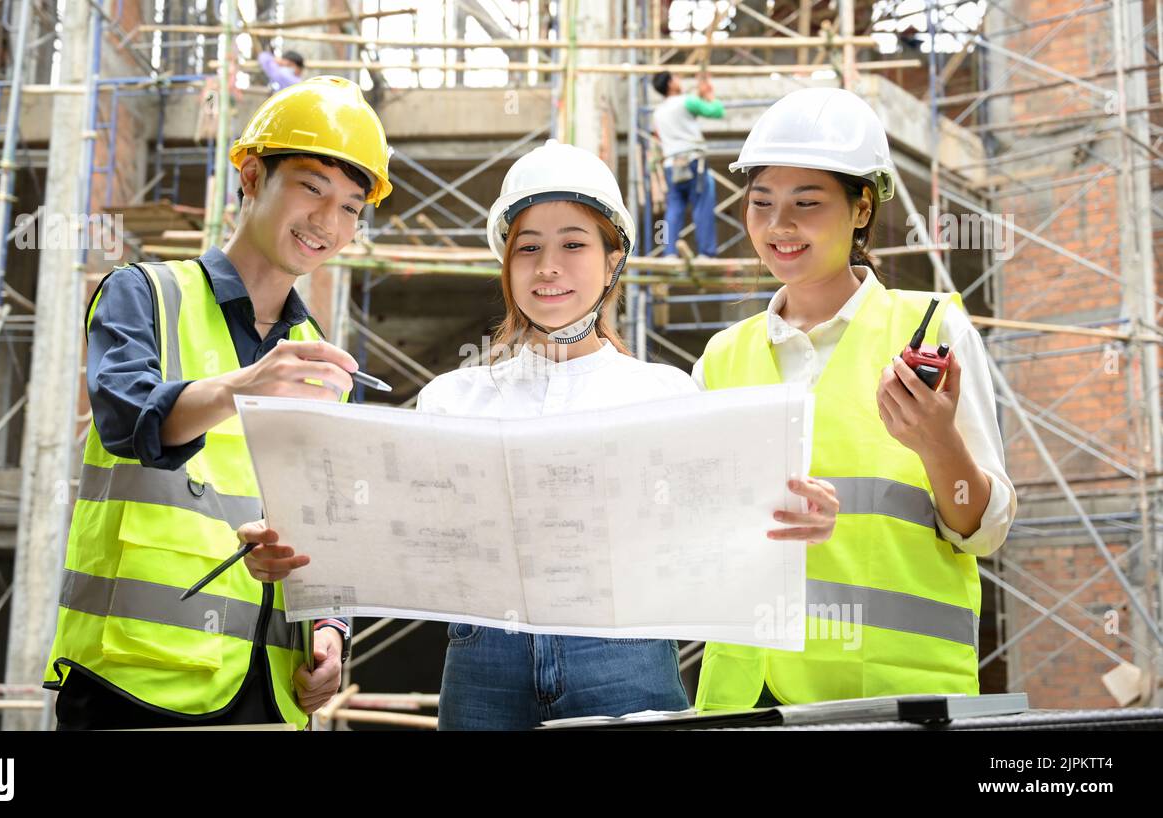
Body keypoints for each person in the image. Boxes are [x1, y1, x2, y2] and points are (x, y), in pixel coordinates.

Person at [387, 139, 832, 730]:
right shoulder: (452, 400)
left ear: (613, 261)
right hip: (484, 653)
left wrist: (790, 522)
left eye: (574, 244)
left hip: (623, 651)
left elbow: (712, 536)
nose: (548, 266)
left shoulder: (664, 396)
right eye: (528, 248)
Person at [44, 76, 393, 729]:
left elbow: (327, 523)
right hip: (136, 682)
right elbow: (126, 418)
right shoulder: (144, 294)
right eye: (312, 188)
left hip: (270, 690)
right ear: (253, 175)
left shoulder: (319, 357)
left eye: (351, 207)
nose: (329, 222)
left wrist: (330, 628)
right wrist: (243, 387)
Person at [692, 87, 1017, 711]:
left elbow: (985, 531)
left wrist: (938, 442)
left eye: (806, 203)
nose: (779, 226)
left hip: (896, 696)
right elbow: (687, 527)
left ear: (862, 208)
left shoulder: (931, 332)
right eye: (761, 202)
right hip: (745, 697)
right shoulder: (721, 358)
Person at [651, 70, 724, 258]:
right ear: (670, 83)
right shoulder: (687, 101)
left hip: (671, 164)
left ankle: (669, 252)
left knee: (673, 209)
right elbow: (717, 111)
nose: (680, 80)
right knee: (702, 205)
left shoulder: (658, 112)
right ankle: (706, 253)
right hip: (693, 161)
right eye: (676, 78)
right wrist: (709, 95)